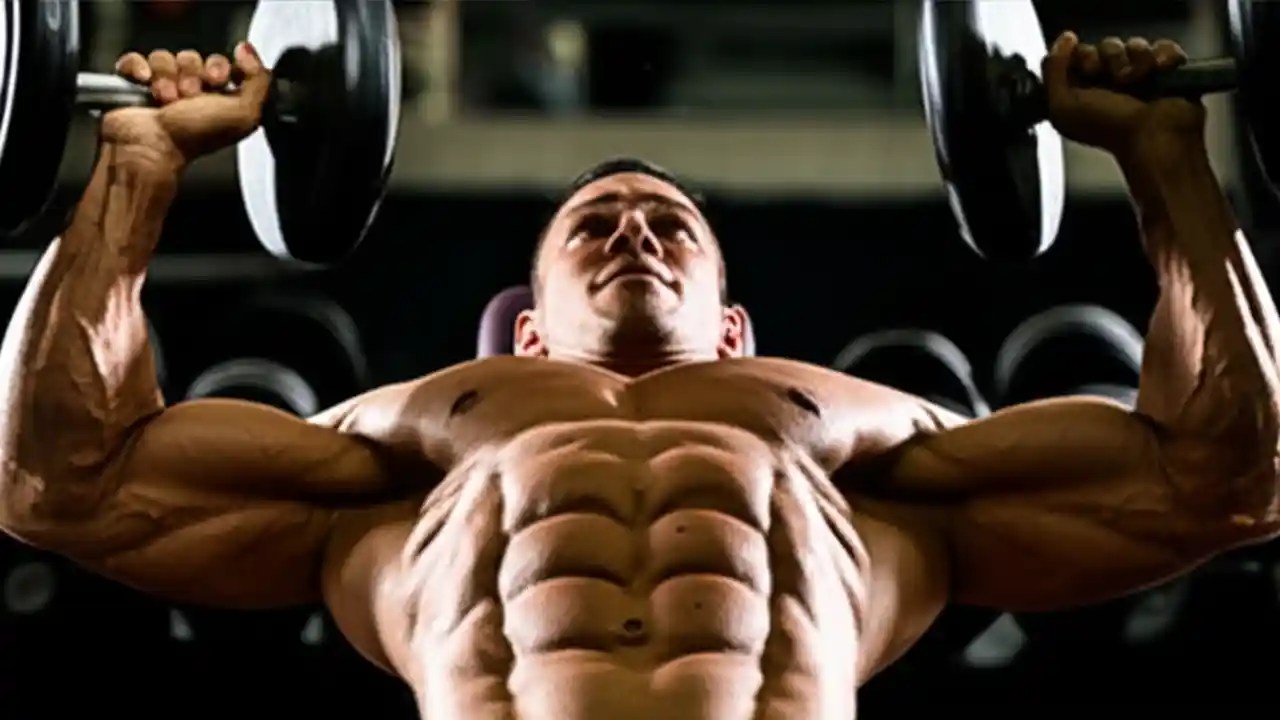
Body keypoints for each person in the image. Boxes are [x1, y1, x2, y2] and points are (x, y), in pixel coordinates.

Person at [0, 33, 1277, 719]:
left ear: (735, 331)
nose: (632, 230)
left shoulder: (863, 442)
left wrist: (1168, 159)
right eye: (593, 223)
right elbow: (64, 479)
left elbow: (1222, 477)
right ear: (526, 333)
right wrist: (141, 164)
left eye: (670, 225)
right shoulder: (407, 444)